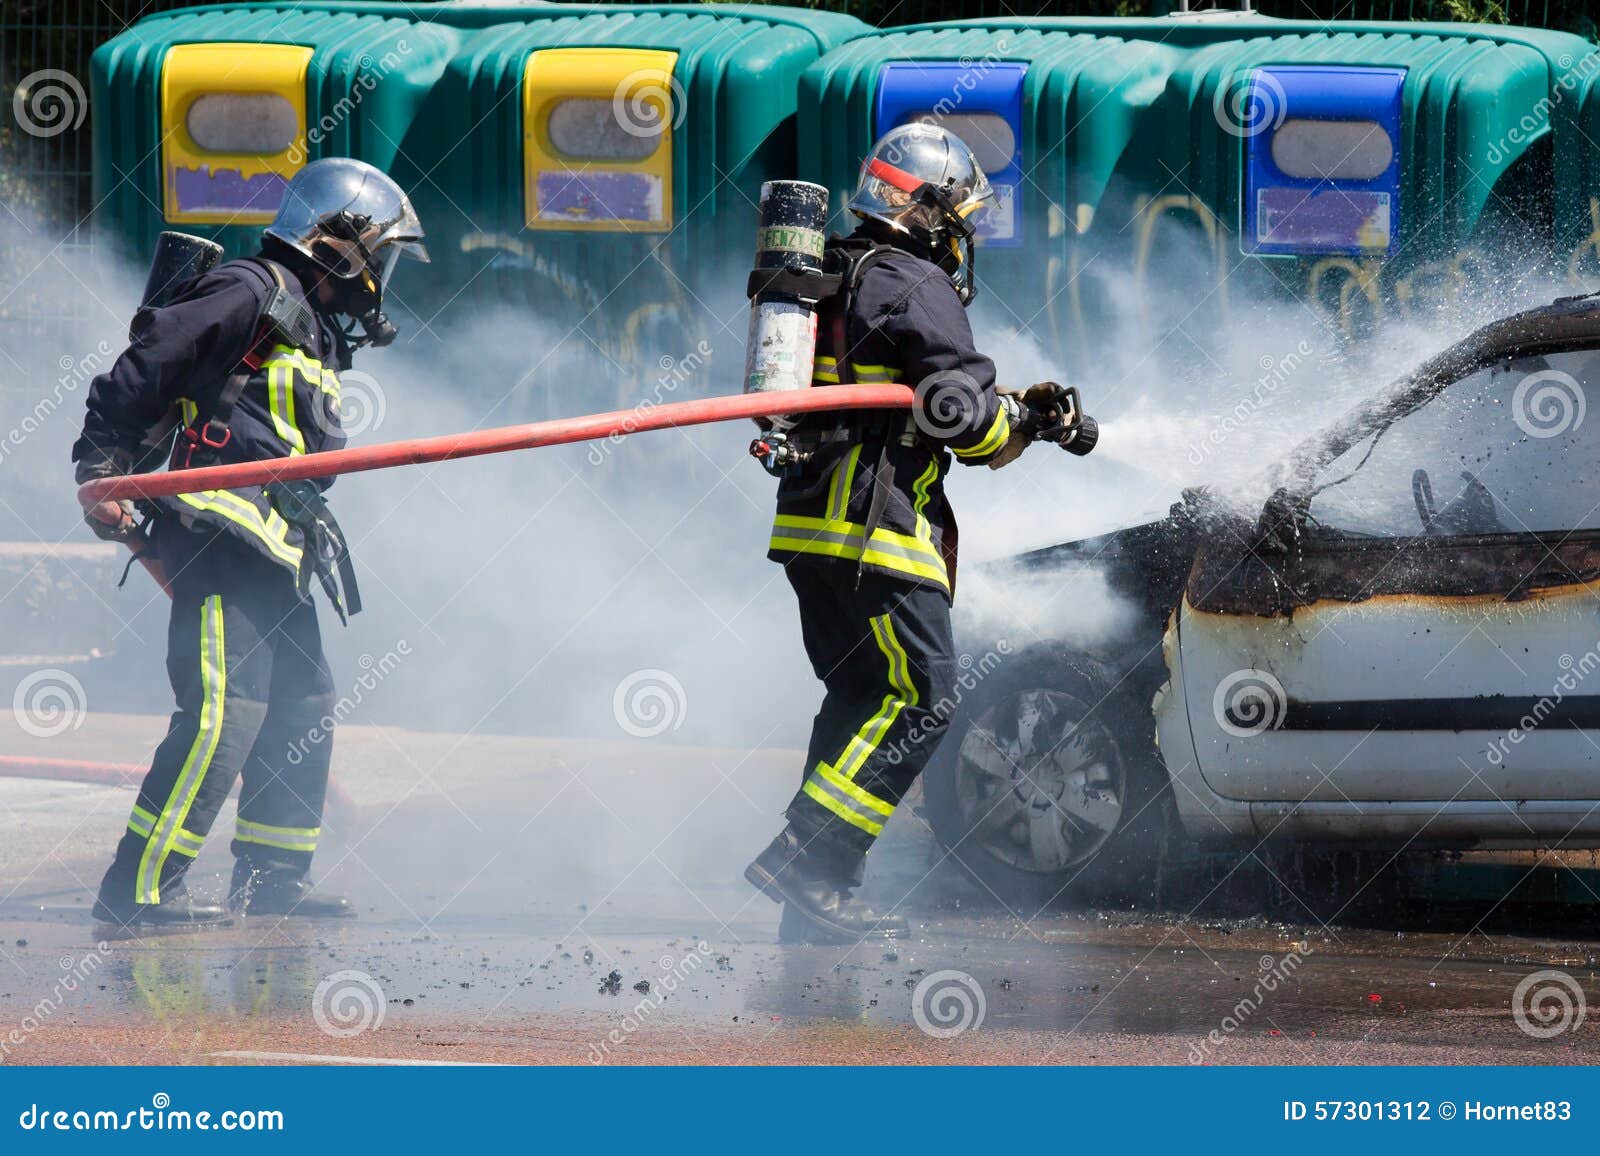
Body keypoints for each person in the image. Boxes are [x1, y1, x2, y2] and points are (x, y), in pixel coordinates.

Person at [744, 122, 1088, 943]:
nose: (961, 235)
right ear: (930, 210)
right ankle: (808, 858)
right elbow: (967, 426)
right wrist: (1030, 425)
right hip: (881, 531)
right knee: (923, 701)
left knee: (859, 698)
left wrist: (1019, 418)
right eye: (958, 215)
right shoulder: (913, 282)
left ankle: (818, 898)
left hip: (810, 530)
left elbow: (927, 404)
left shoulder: (829, 268)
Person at [72, 158, 428, 929]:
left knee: (304, 702)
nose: (381, 279)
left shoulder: (313, 329)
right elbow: (153, 356)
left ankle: (270, 879)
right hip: (218, 539)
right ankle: (137, 888)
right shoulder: (251, 289)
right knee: (221, 711)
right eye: (382, 255)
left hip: (279, 555)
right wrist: (102, 455)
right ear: (341, 242)